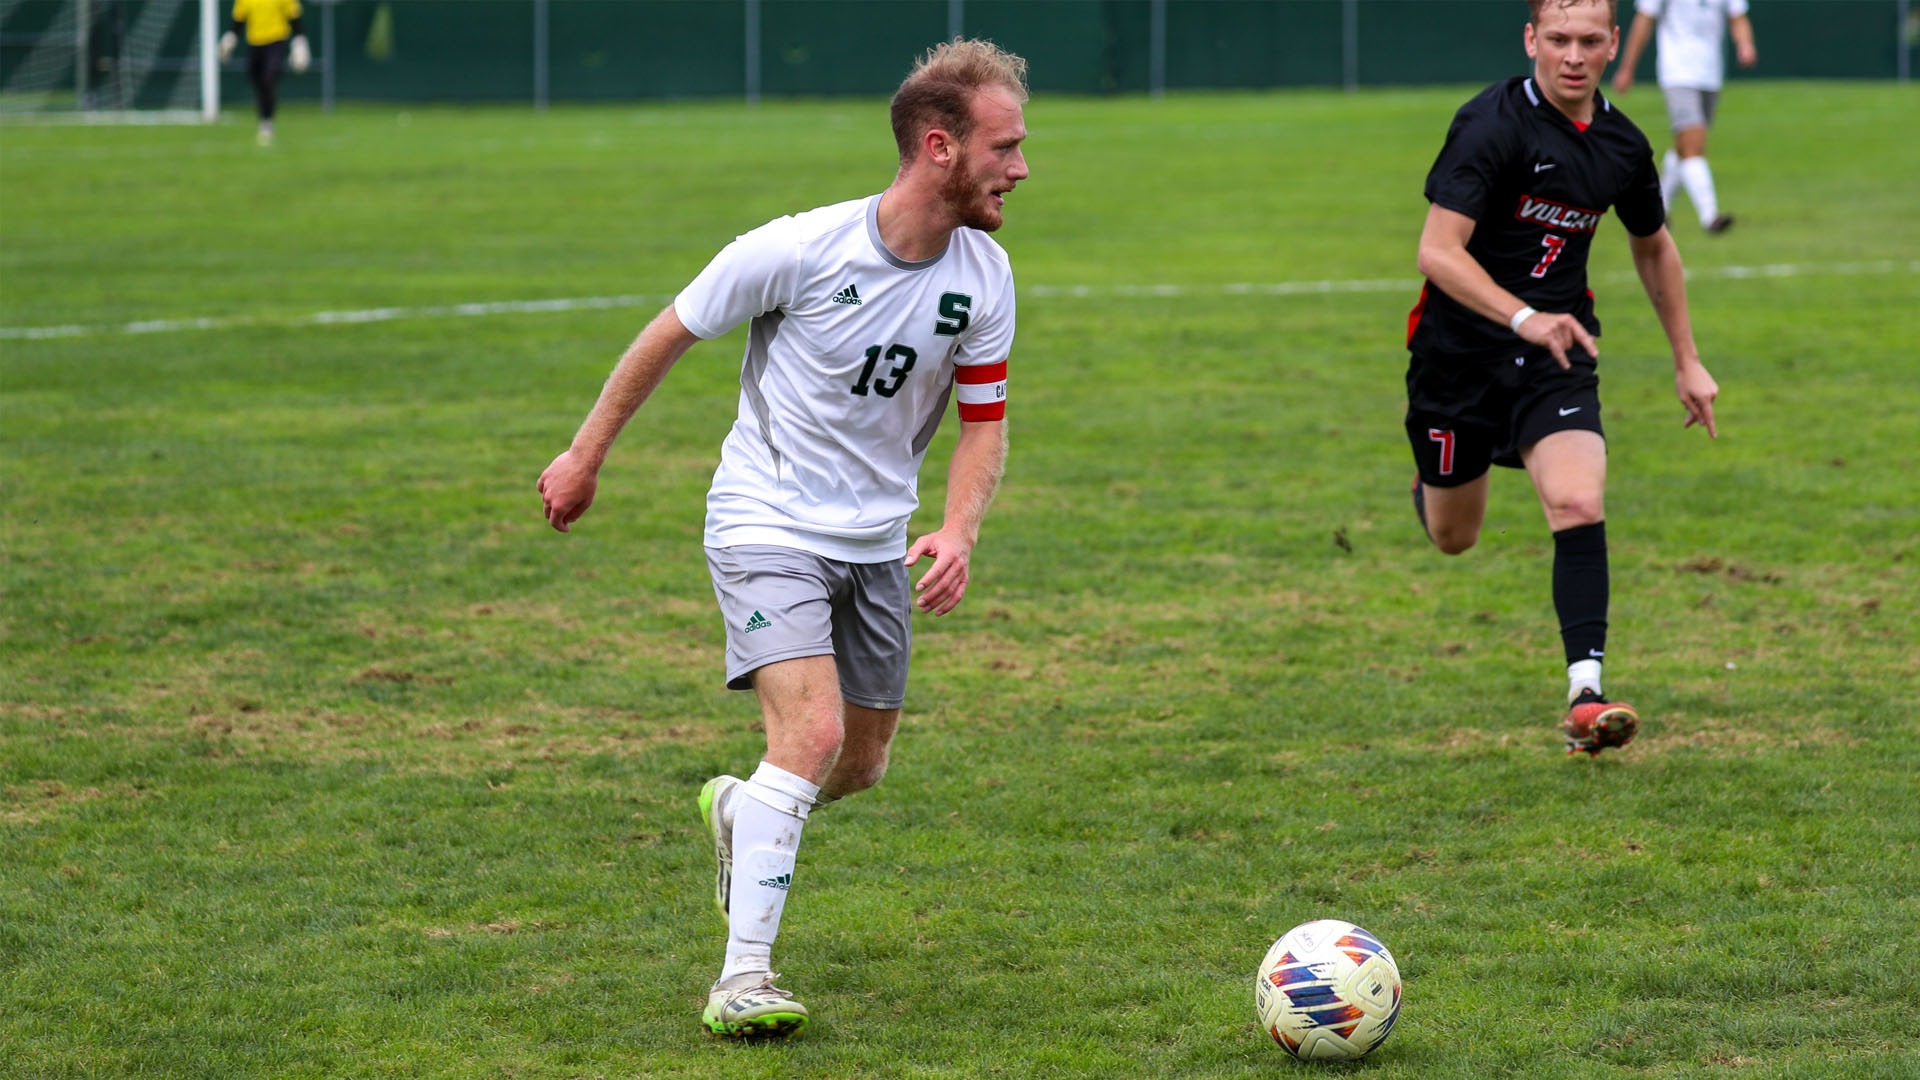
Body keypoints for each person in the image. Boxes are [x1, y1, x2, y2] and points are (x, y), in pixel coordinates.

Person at [536, 39, 1029, 1038]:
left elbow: (985, 418)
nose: (1019, 168)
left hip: (877, 541)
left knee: (856, 764)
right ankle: (741, 978)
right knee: (809, 739)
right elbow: (670, 330)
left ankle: (739, 811)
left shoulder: (985, 274)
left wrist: (958, 530)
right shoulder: (799, 250)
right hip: (766, 520)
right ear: (939, 147)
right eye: (1003, 147)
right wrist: (585, 456)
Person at [1403, 0, 1720, 756]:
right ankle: (1429, 484)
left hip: (1559, 353)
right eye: (1557, 40)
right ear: (1530, 40)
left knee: (1578, 500)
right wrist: (1522, 316)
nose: (1572, 56)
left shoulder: (1621, 145)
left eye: (1588, 41)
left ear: (1613, 44)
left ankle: (1586, 694)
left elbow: (1654, 247)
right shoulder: (1490, 124)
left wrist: (1687, 357)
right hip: (1459, 359)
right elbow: (1438, 252)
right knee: (1455, 537)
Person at [1611, 0, 1757, 234]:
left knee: (1685, 146)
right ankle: (1710, 217)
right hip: (1678, 72)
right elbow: (1644, 19)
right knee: (1693, 146)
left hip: (1710, 74)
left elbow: (1738, 16)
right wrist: (1627, 68)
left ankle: (1659, 209)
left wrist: (1745, 44)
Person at [218, 0, 310, 146]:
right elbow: (239, 19)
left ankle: (267, 123)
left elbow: (293, 17)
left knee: (269, 79)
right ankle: (264, 117)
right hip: (255, 43)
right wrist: (230, 39)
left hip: (276, 41)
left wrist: (300, 43)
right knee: (257, 81)